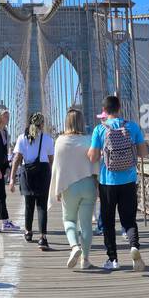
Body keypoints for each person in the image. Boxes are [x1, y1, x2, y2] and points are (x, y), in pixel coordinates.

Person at [88, 93, 148, 272]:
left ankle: (112, 259)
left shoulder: (100, 129)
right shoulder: (132, 126)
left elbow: (93, 157)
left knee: (107, 221)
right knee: (129, 220)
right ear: (120, 108)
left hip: (108, 182)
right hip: (129, 180)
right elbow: (143, 153)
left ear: (104, 111)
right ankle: (134, 246)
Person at [49, 106, 98, 271]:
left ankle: (74, 246)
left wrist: (57, 188)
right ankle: (85, 260)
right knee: (86, 225)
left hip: (69, 187)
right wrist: (98, 185)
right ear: (82, 122)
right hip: (88, 185)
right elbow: (96, 163)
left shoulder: (60, 141)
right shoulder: (89, 139)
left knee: (69, 220)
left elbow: (57, 167)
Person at [9, 111, 55, 250]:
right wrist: (50, 176)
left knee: (29, 205)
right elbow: (51, 160)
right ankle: (43, 238)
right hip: (43, 173)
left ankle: (28, 232)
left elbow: (17, 159)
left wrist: (12, 178)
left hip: (27, 174)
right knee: (42, 207)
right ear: (42, 124)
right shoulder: (48, 139)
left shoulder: (22, 138)